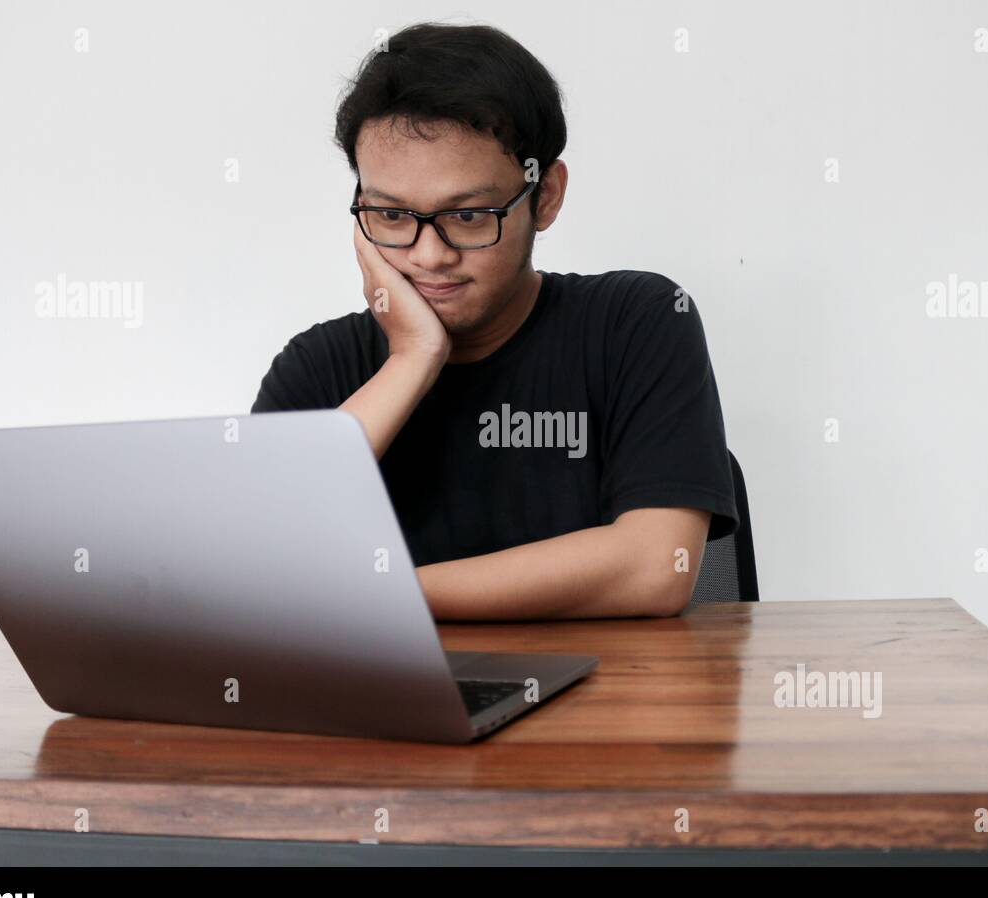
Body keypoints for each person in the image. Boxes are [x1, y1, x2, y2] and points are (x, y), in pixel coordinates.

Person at [252, 22, 737, 620]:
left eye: (471, 216)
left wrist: (382, 594)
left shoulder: (636, 322)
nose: (429, 255)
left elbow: (655, 567)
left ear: (547, 196)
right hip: (392, 705)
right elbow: (256, 571)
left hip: (611, 702)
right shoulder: (317, 367)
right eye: (392, 214)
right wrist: (411, 359)